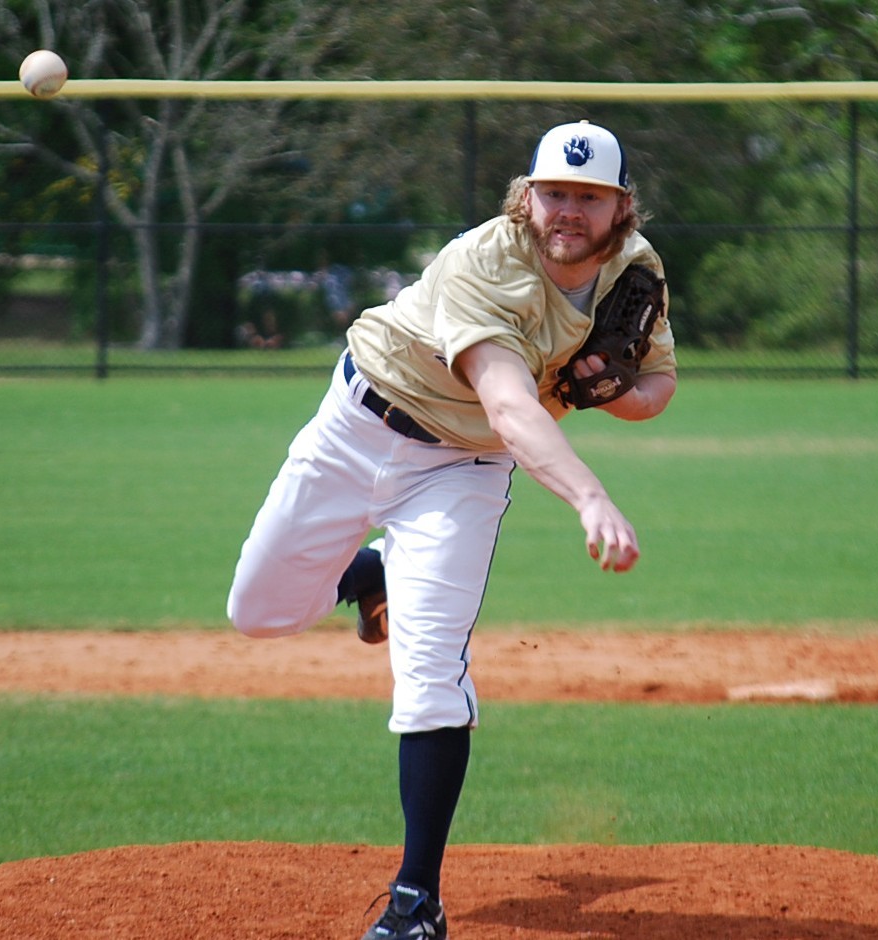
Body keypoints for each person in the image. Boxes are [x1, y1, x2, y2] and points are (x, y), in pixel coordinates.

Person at [225, 119, 676, 940]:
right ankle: (374, 575)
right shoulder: (485, 260)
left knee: (430, 672)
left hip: (461, 471)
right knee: (258, 612)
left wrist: (615, 391)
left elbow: (656, 385)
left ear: (620, 209)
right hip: (359, 427)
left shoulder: (634, 272)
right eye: (554, 193)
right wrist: (588, 497)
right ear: (526, 196)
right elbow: (508, 401)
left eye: (589, 197)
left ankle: (415, 902)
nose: (568, 211)